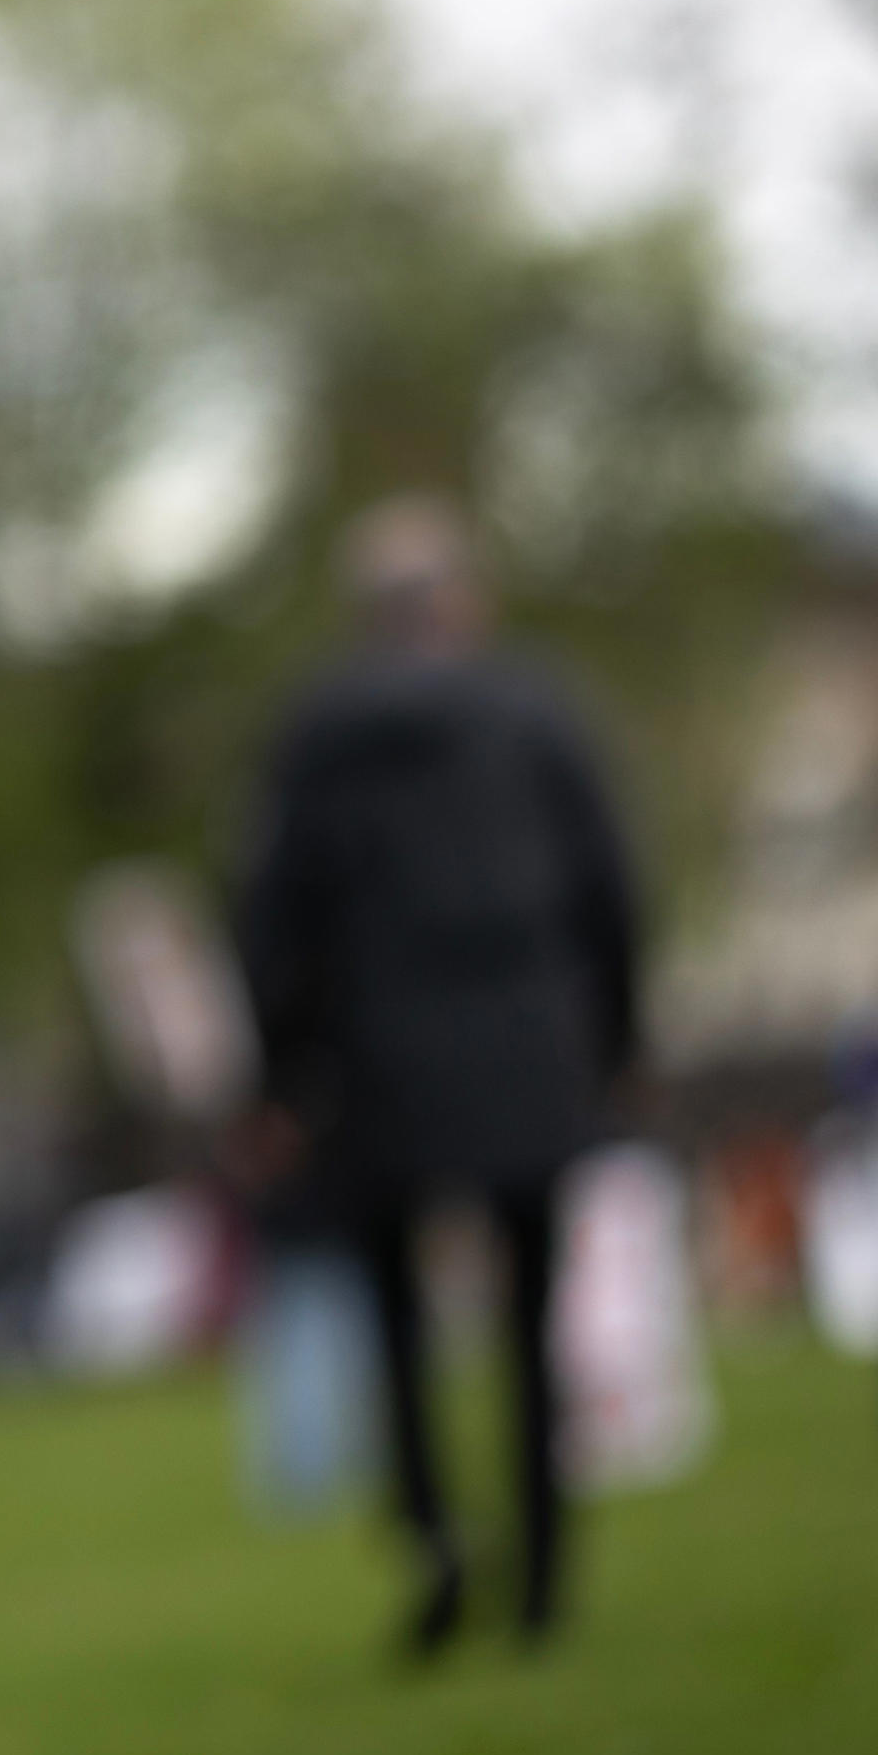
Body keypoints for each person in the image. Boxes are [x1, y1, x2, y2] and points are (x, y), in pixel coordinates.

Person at [231, 498, 639, 1656]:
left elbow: (273, 915)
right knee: (530, 1317)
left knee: (394, 1322)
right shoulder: (537, 714)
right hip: (531, 1047)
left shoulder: (314, 735)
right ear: (462, 597)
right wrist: (616, 1041)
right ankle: (544, 1570)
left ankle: (432, 1536)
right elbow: (610, 888)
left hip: (376, 1063)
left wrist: (278, 1071)